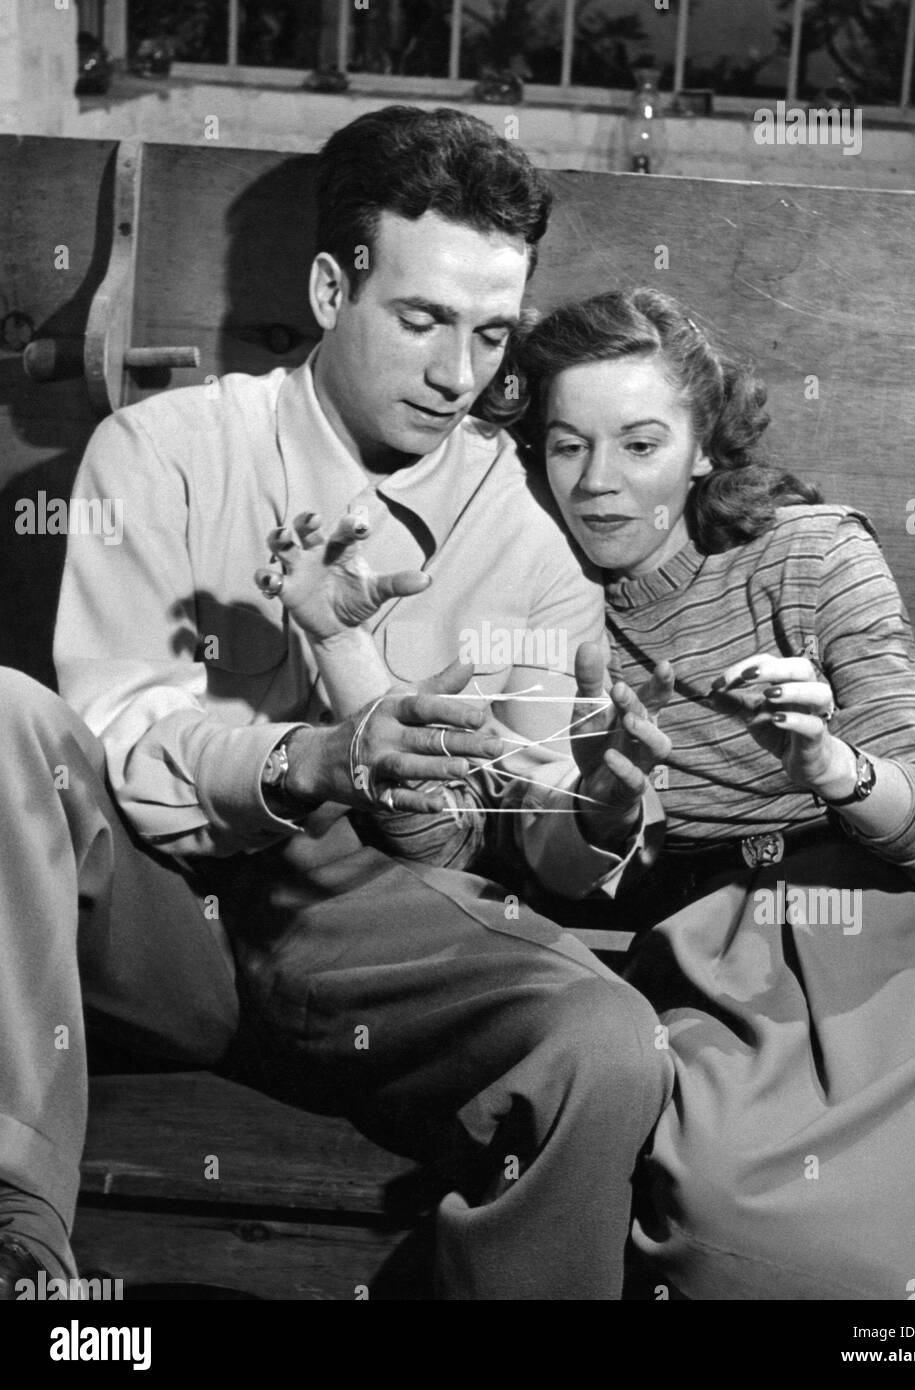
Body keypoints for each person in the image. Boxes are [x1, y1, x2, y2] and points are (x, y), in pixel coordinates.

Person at [0, 109, 675, 1301]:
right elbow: (119, 738)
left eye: (491, 333)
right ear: (329, 288)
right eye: (421, 322)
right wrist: (311, 756)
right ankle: (19, 1251)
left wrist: (605, 812)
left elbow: (544, 836)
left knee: (609, 1044)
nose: (459, 376)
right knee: (4, 719)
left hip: (361, 938)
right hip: (148, 928)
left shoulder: (522, 538)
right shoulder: (160, 454)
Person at [498, 285, 915, 1299]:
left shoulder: (812, 552)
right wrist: (603, 807)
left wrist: (830, 765)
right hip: (718, 960)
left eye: (640, 444)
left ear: (703, 446)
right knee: (727, 1218)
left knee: (908, 1260)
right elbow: (543, 863)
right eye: (568, 448)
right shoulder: (538, 602)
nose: (600, 484)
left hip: (913, 938)